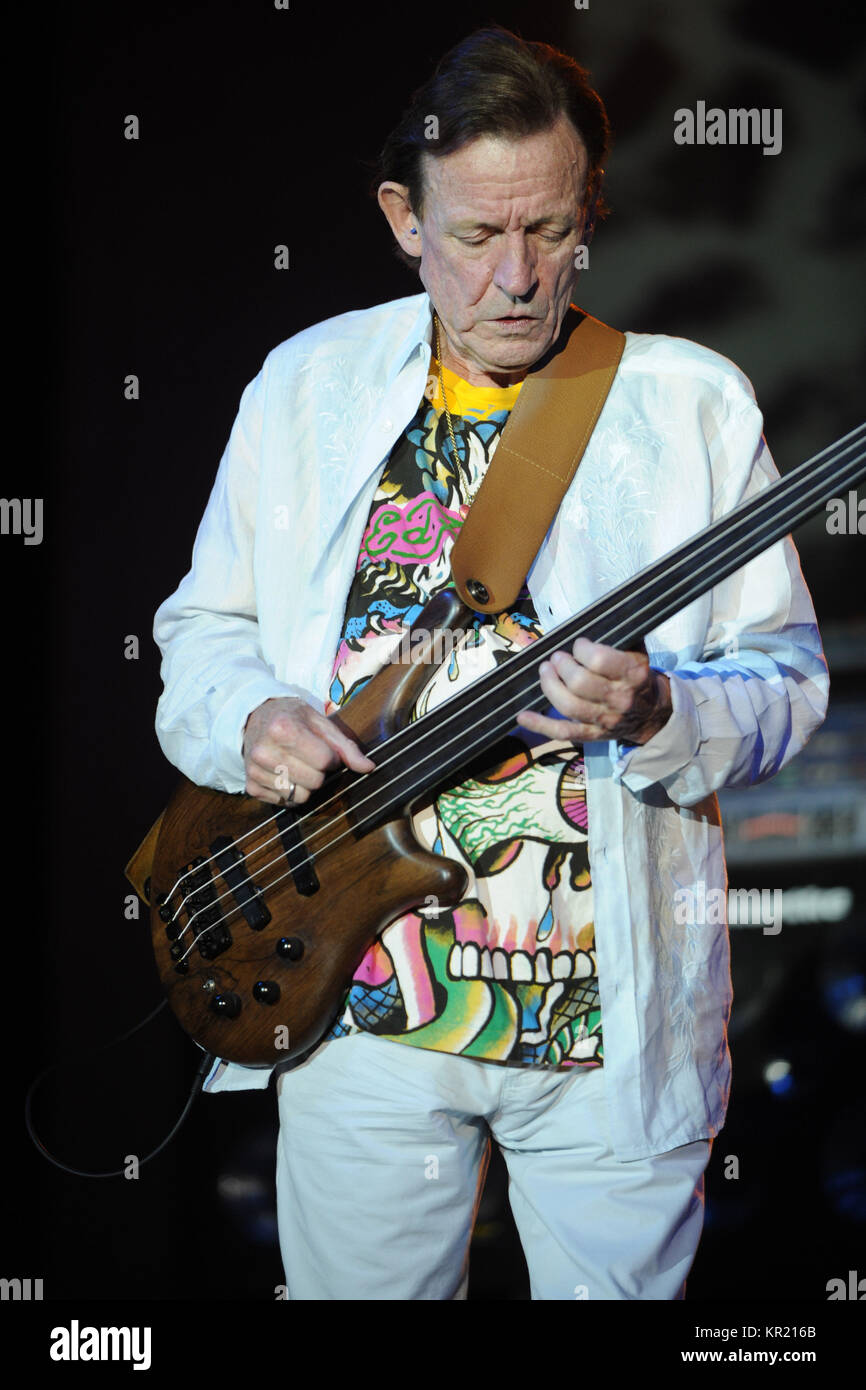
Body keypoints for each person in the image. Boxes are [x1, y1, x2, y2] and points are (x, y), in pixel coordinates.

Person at [153, 27, 828, 1300]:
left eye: (551, 230)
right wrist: (249, 719)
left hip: (602, 1023)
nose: (516, 277)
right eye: (475, 235)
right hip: (352, 996)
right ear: (403, 217)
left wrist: (660, 708)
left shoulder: (689, 404)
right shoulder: (305, 389)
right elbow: (202, 634)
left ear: (589, 215)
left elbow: (785, 680)